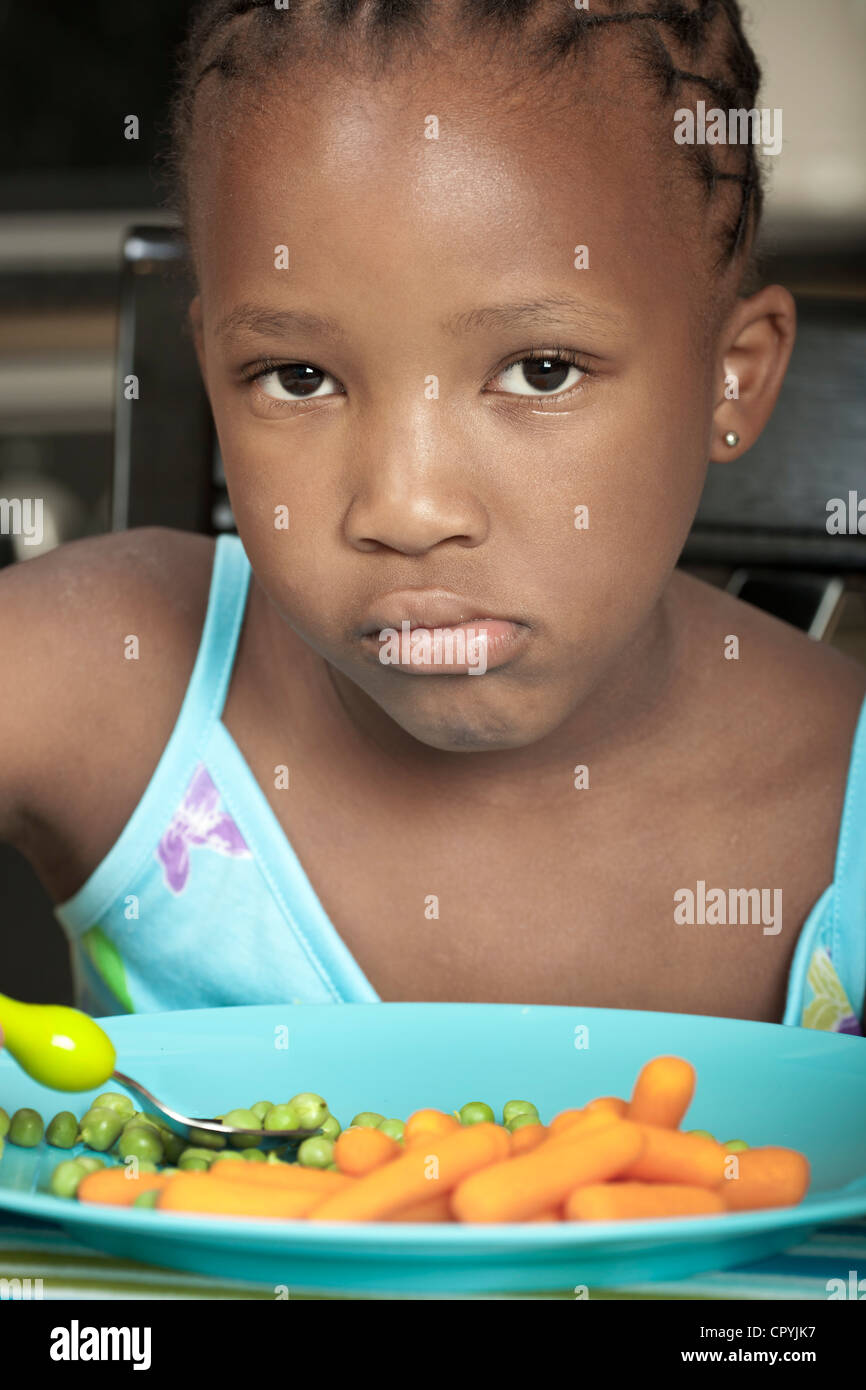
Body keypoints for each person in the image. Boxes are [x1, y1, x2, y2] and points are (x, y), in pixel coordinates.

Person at [1, 0, 864, 1032]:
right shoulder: (119, 674)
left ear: (730, 377)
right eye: (298, 375)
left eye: (540, 371)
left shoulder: (840, 788)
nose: (404, 508)